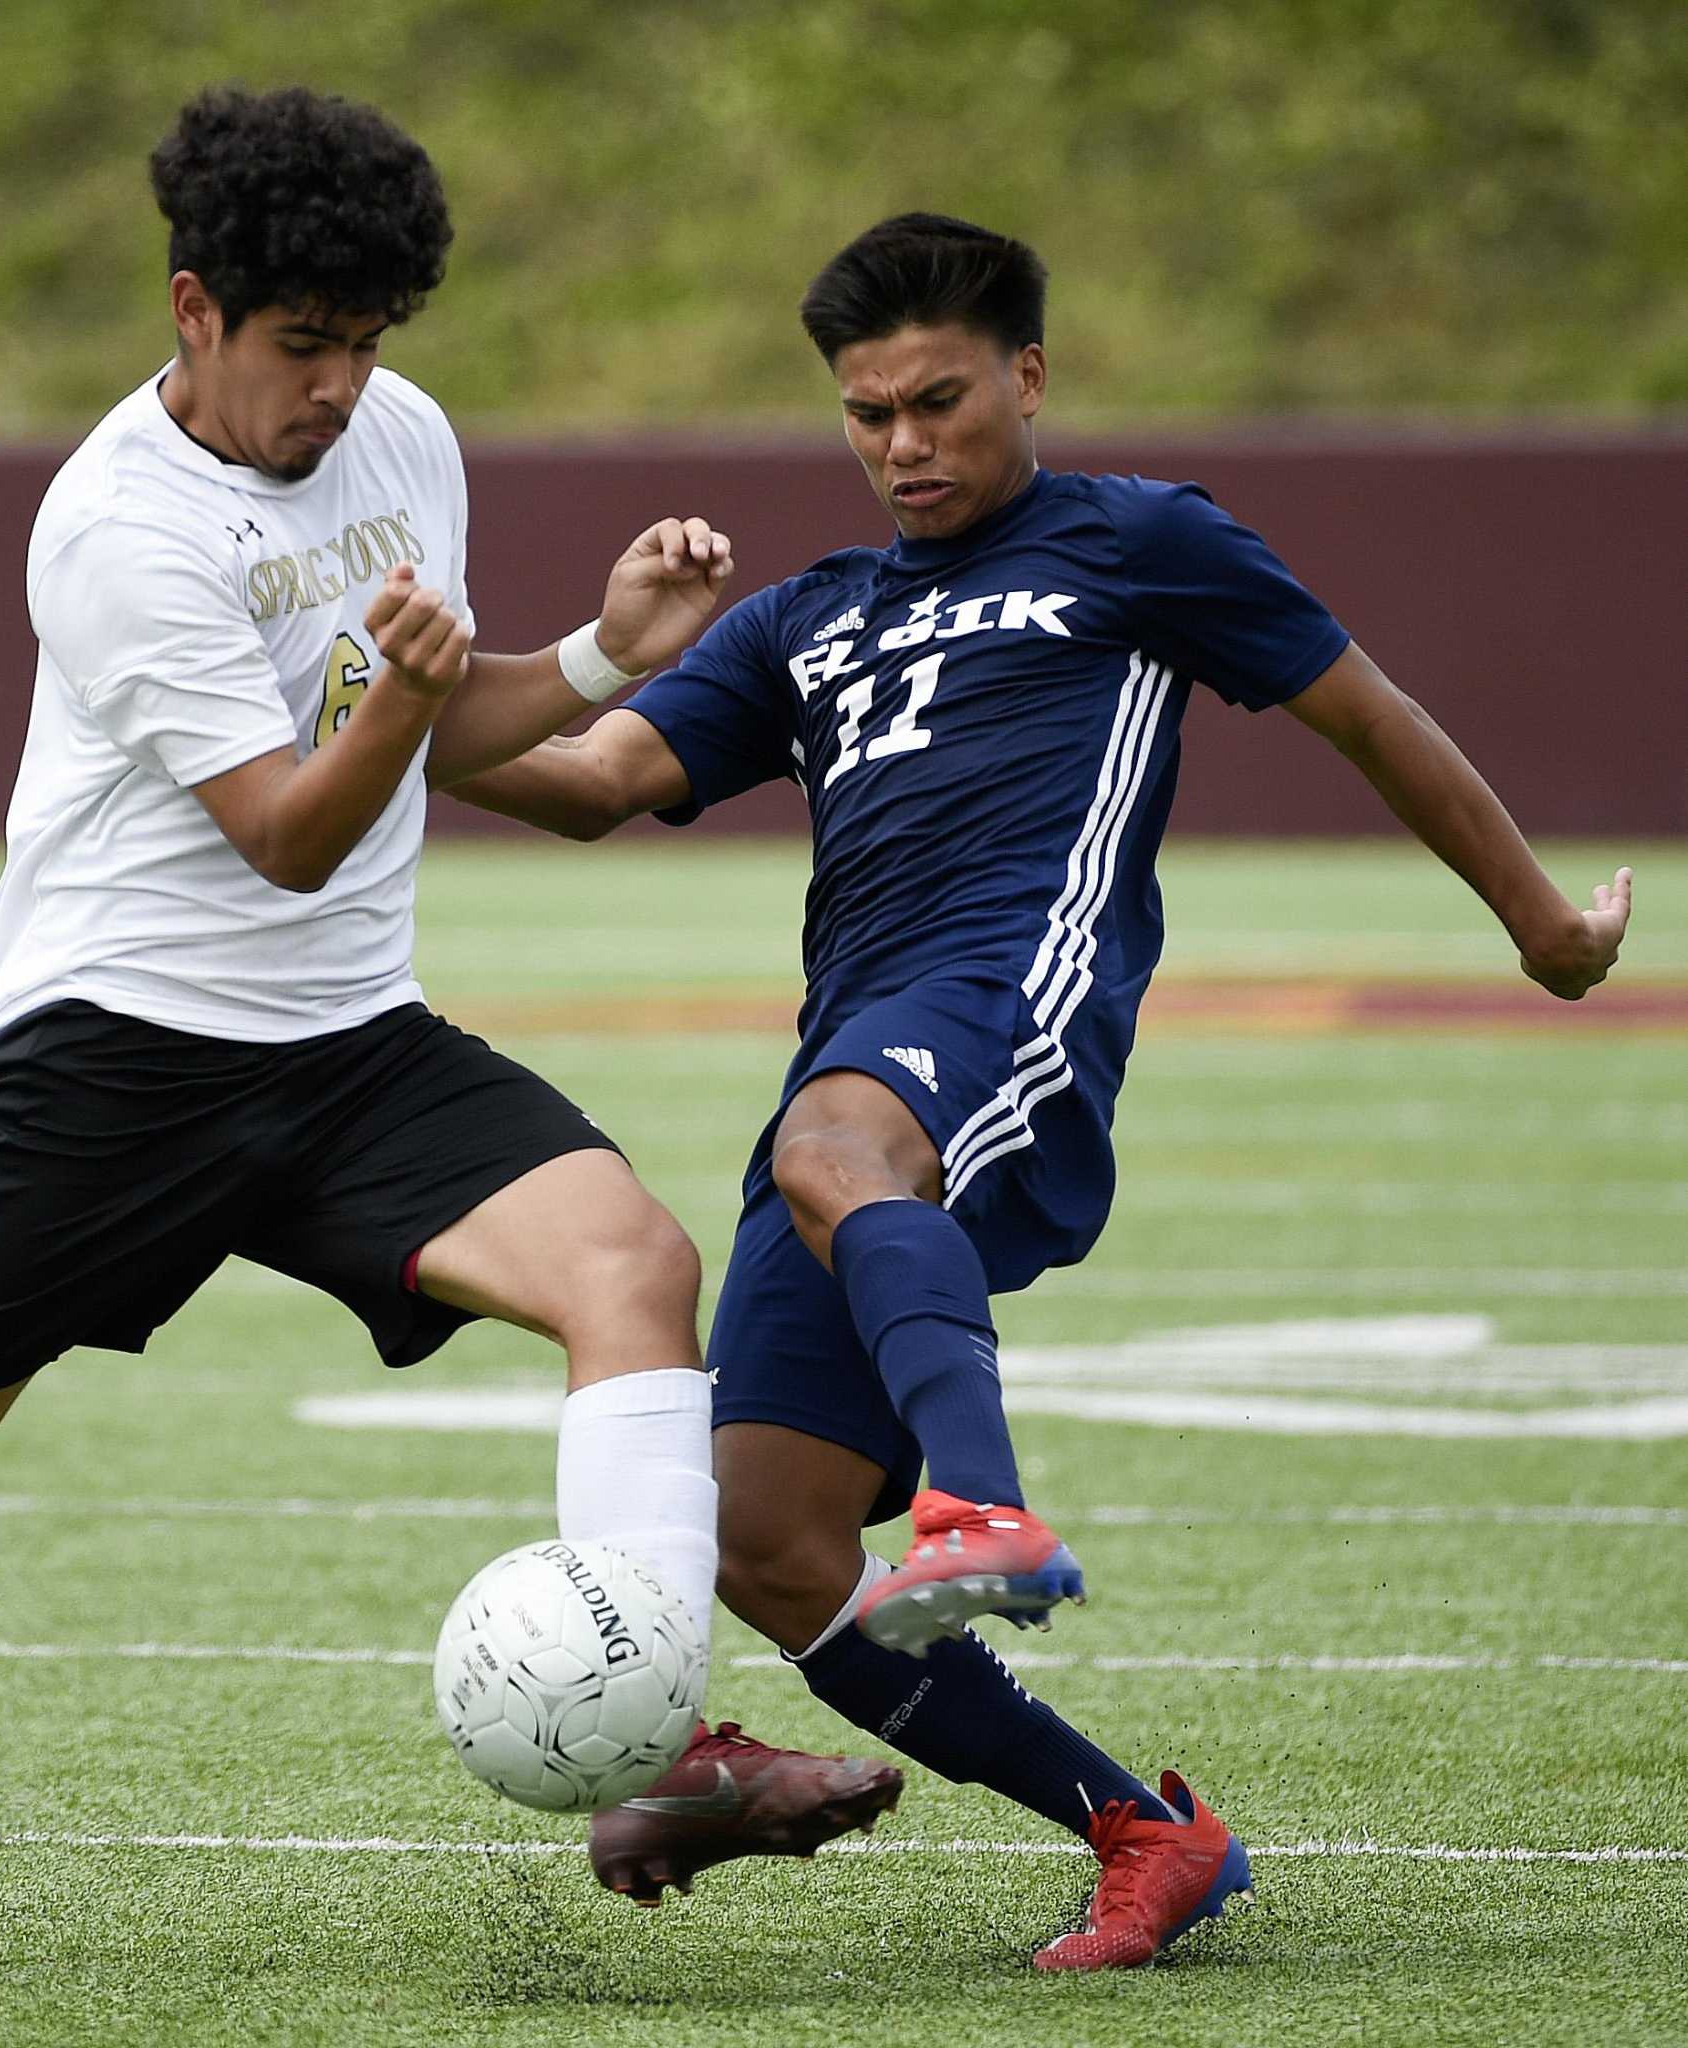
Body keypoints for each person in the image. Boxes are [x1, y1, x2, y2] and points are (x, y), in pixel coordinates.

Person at [0, 86, 903, 1886]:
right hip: (110, 1060)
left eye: (368, 341)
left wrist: (596, 654)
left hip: (344, 1043)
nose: (339, 386)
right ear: (195, 310)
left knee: (632, 1266)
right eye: (302, 344)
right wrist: (412, 694)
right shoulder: (116, 530)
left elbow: (427, 724)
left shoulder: (404, 435)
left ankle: (664, 1750)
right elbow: (290, 827)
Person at [452, 212, 1636, 1967]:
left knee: (831, 1150)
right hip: (855, 1053)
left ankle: (981, 1507)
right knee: (765, 1534)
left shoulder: (1139, 542)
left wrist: (1539, 922)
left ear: (1028, 376)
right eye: (868, 414)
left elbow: (1370, 715)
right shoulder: (807, 615)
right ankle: (1146, 1833)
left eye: (938, 400)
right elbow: (584, 778)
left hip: (1017, 995)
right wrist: (386, 710)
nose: (904, 444)